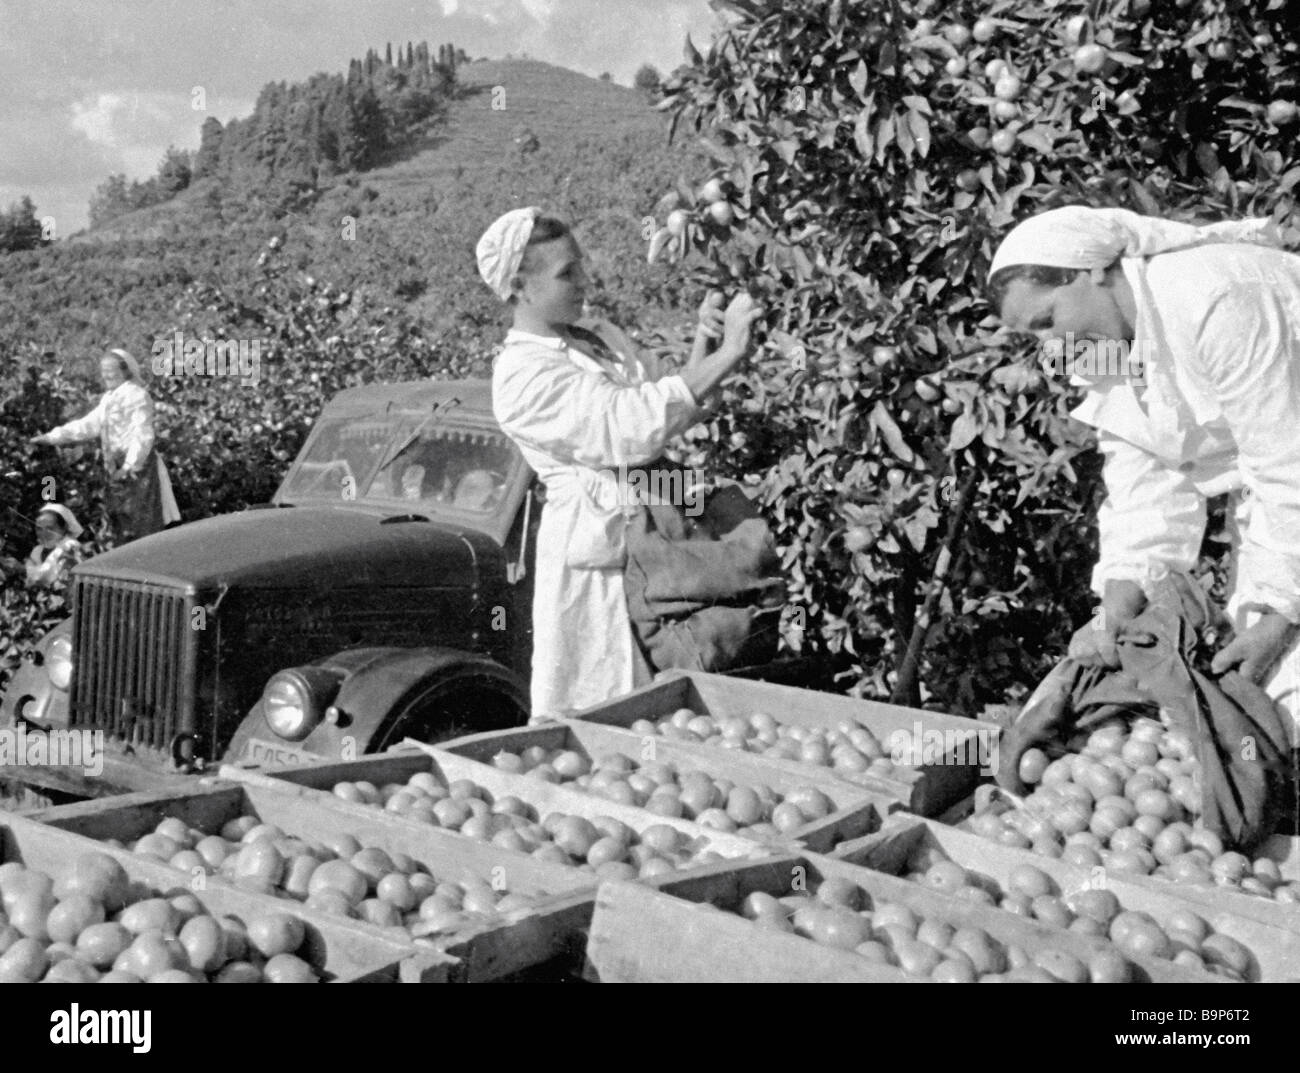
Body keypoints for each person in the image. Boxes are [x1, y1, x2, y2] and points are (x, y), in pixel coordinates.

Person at [987, 205, 1300, 737]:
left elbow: (1288, 462)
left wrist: (1279, 614)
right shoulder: (1105, 348)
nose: (1050, 349)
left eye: (1048, 321)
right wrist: (1117, 608)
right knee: (1273, 701)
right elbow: (1144, 481)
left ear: (1091, 272)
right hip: (1283, 501)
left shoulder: (1216, 299)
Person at [478, 207, 762, 720]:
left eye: (581, 265)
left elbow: (668, 402)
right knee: (606, 693)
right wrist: (731, 353)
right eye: (568, 273)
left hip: (654, 533)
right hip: (597, 553)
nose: (585, 281)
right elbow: (629, 426)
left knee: (676, 683)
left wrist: (706, 340)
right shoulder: (523, 375)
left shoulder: (595, 337)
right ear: (521, 286)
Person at [30, 348, 181, 544]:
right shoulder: (109, 398)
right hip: (116, 468)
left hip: (139, 469)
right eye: (104, 370)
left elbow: (142, 434)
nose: (107, 375)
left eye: (112, 369)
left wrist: (129, 466)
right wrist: (51, 437)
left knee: (142, 523)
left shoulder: (137, 395)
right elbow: (88, 425)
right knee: (121, 523)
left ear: (125, 371)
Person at [0, 503, 85, 593]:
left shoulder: (70, 545)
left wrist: (21, 569)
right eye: (39, 528)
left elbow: (49, 575)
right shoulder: (37, 551)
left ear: (63, 528)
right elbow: (31, 580)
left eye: (50, 528)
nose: (43, 533)